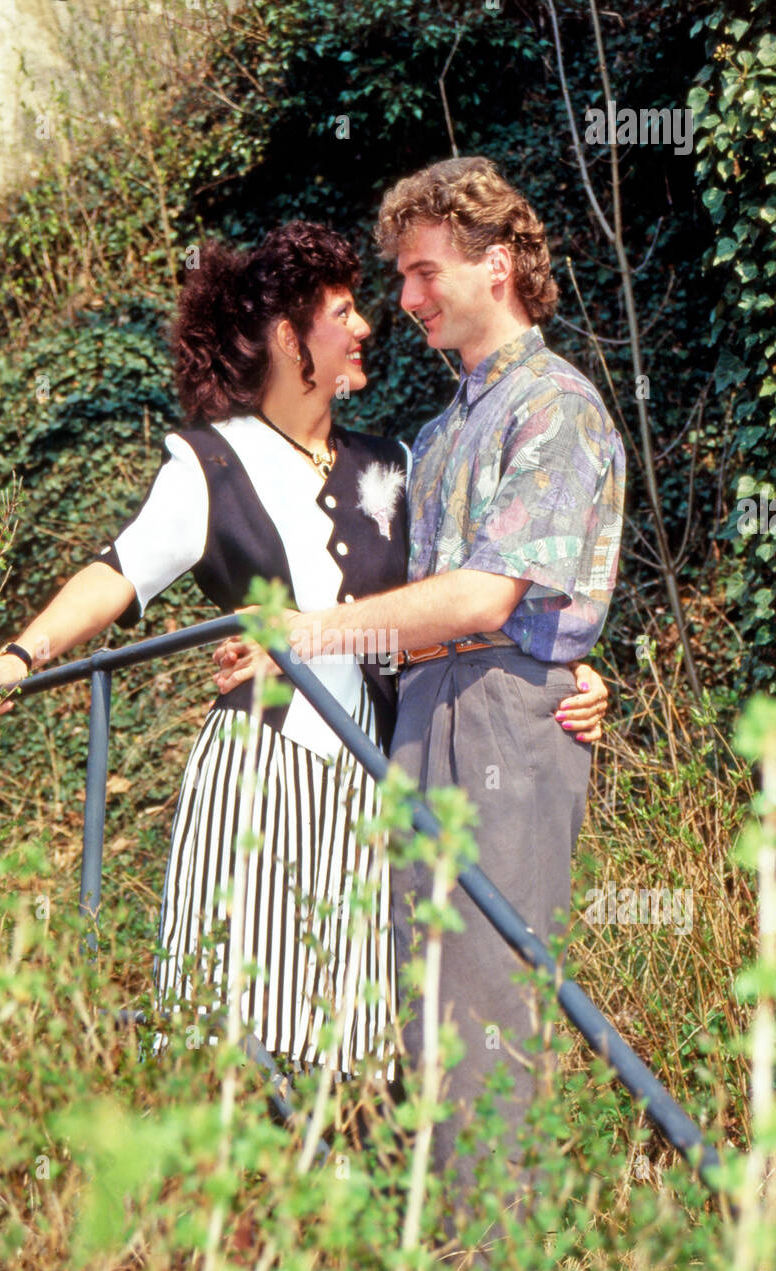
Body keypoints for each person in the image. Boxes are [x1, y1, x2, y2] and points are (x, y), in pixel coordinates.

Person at [0, 218, 607, 1088]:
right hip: (258, 776)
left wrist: (561, 664)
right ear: (286, 336)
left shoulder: (395, 465)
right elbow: (118, 570)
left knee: (358, 1051)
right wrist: (21, 654)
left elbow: (470, 593)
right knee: (244, 1032)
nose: (368, 325)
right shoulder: (209, 464)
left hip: (380, 780)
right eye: (342, 312)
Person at [218, 161, 625, 1213]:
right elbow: (422, 603)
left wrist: (560, 666)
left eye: (421, 272)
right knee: (420, 994)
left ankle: (498, 1261)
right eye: (398, 276)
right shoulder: (440, 436)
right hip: (420, 714)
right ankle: (435, 1245)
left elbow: (486, 598)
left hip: (506, 717)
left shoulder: (557, 408)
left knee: (490, 995)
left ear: (497, 266)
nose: (404, 298)